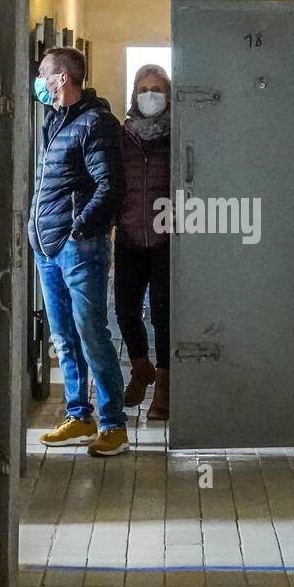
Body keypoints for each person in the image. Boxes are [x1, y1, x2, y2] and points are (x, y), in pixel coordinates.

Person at [28, 46, 128, 455]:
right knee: (64, 337)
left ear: (62, 79)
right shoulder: (55, 120)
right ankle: (79, 415)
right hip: (48, 249)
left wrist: (78, 229)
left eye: (43, 74)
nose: (38, 81)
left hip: (79, 248)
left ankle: (113, 425)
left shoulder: (96, 124)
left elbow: (111, 186)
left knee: (91, 334)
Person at [115, 63, 171, 421]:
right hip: (130, 235)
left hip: (169, 236)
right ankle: (140, 365)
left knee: (164, 313)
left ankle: (164, 384)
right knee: (124, 310)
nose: (150, 96)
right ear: (134, 94)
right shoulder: (122, 135)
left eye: (158, 89)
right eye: (143, 89)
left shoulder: (180, 134)